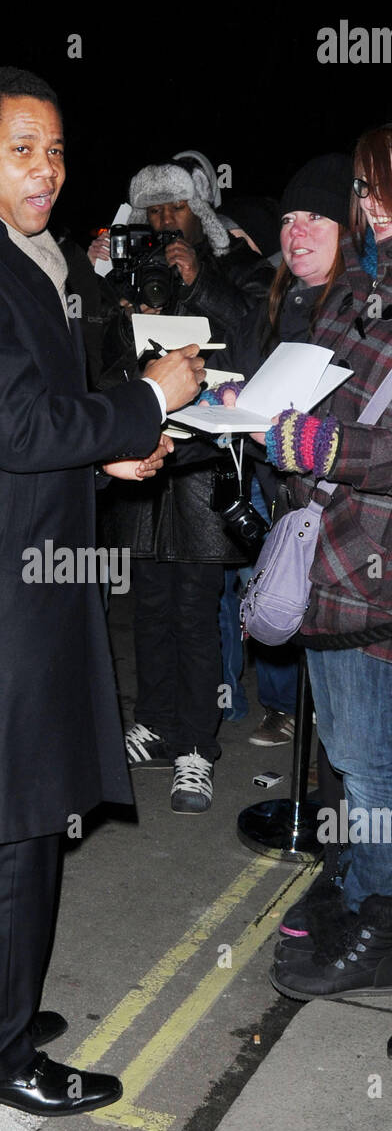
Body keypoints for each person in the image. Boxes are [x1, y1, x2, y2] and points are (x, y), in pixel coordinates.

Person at [0, 66, 204, 1115]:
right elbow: (19, 427)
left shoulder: (17, 258)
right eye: (22, 148)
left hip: (15, 568)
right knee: (13, 823)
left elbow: (17, 416)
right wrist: (145, 400)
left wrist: (103, 453)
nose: (47, 169)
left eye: (57, 149)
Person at [224, 128, 392, 999]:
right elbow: (322, 398)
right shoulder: (362, 291)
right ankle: (363, 888)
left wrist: (315, 440)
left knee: (368, 765)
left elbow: (349, 432)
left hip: (369, 560)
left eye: (369, 191)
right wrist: (245, 406)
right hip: (338, 552)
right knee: (361, 760)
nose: (363, 208)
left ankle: (374, 911)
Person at [93, 158, 273, 812]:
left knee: (197, 613)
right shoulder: (130, 274)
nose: (166, 223)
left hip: (205, 465)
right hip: (145, 462)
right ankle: (157, 722)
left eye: (177, 210)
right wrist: (114, 296)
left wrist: (199, 286)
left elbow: (258, 346)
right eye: (154, 213)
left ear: (200, 213)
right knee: (148, 606)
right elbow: (104, 362)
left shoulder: (238, 269)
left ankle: (197, 745)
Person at [217, 155, 354, 748]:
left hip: (342, 524)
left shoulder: (364, 309)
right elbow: (248, 378)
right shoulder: (278, 301)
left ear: (351, 228)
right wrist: (226, 392)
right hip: (275, 498)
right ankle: (295, 722)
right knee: (271, 612)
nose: (297, 232)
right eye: (290, 219)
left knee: (351, 723)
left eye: (317, 219)